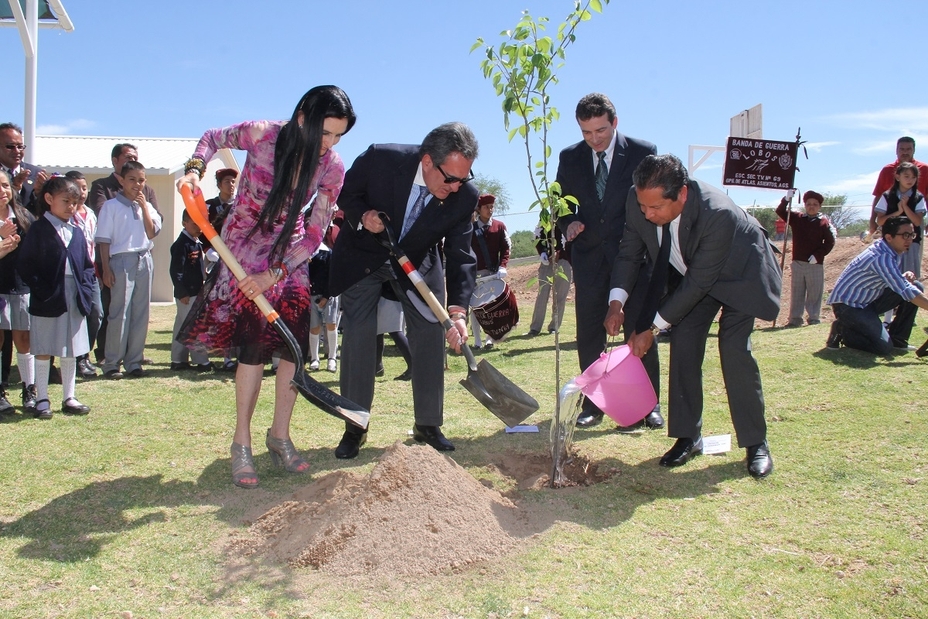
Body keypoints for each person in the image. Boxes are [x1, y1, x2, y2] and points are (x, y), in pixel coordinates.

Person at [177, 85, 356, 489]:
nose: (328, 145)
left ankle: (279, 435)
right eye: (324, 133)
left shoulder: (332, 168)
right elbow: (212, 137)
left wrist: (276, 273)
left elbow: (314, 235)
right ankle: (241, 442)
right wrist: (194, 169)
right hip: (240, 251)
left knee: (293, 348)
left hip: (287, 259)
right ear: (302, 119)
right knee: (255, 346)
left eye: (337, 137)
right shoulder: (261, 135)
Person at [605, 154, 782, 479]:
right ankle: (689, 437)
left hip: (740, 274)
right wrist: (616, 302)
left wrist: (652, 329)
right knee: (684, 341)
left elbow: (701, 281)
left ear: (682, 195)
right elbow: (630, 252)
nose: (647, 213)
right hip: (694, 276)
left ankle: (756, 442)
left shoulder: (718, 213)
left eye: (655, 208)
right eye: (643, 206)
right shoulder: (640, 199)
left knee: (733, 347)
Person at [329, 122, 479, 459]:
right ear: (427, 161)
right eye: (450, 179)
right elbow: (346, 193)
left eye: (463, 179)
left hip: (416, 262)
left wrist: (457, 312)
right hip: (363, 254)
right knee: (359, 332)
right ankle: (355, 425)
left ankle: (427, 424)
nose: (456, 188)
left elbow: (461, 255)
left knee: (429, 330)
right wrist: (363, 215)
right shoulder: (380, 158)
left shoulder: (465, 196)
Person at [555, 93, 663, 430]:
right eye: (586, 133)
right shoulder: (570, 157)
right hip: (589, 259)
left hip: (633, 257)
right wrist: (566, 222)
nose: (594, 139)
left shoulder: (643, 152)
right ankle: (593, 405)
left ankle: (649, 406)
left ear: (614, 123)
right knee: (589, 331)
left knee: (638, 329)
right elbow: (559, 203)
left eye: (600, 131)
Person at [16, 176, 95, 418]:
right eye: (66, 201)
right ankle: (41, 398)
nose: (71, 206)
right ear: (49, 199)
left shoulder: (77, 231)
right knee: (44, 347)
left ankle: (69, 396)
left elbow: (87, 266)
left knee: (72, 347)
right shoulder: (39, 229)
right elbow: (26, 265)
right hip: (48, 296)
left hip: (74, 296)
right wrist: (41, 289)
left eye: (75, 202)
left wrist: (86, 290)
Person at [88, 143, 160, 365]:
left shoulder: (146, 204)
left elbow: (151, 232)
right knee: (119, 312)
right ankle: (112, 361)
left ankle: (134, 360)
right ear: (122, 180)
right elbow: (103, 241)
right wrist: (106, 269)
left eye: (141, 180)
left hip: (144, 259)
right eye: (132, 180)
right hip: (120, 261)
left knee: (141, 313)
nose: (137, 185)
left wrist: (145, 208)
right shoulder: (110, 206)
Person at [826, 216, 928, 355]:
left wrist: (902, 277)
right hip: (849, 306)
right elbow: (905, 290)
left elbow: (897, 283)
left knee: (916, 286)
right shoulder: (881, 257)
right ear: (889, 237)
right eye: (905, 235)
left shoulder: (888, 249)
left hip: (869, 302)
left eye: (911, 234)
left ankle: (898, 340)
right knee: (883, 348)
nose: (909, 239)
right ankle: (842, 329)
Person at [0, 169, 35, 415]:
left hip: (21, 286)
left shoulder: (24, 217)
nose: (1, 192)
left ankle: (30, 389)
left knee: (23, 339)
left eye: (4, 186)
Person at [775, 189, 836, 326]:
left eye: (815, 204)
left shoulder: (823, 223)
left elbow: (830, 242)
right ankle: (795, 319)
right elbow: (780, 211)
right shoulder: (797, 219)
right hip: (798, 262)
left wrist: (818, 255)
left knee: (814, 293)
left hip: (815, 263)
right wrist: (786, 199)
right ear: (805, 205)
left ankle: (814, 318)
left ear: (819, 206)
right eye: (809, 204)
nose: (811, 206)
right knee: (797, 292)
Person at [66, 171, 102, 378]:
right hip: (72, 273)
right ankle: (76, 359)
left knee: (96, 313)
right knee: (76, 316)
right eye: (76, 187)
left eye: (84, 187)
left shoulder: (91, 214)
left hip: (91, 273)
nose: (81, 192)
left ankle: (84, 355)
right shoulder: (67, 216)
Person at [469, 193, 515, 348]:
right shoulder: (470, 229)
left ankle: (490, 338)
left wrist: (503, 265)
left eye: (491, 207)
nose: (490, 210)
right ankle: (477, 340)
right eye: (486, 207)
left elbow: (506, 248)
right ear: (479, 209)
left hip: (494, 273)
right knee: (476, 308)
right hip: (476, 275)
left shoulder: (499, 226)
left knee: (492, 308)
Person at [169, 211, 211, 372]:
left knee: (182, 326)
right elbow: (176, 271)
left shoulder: (196, 243)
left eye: (200, 223)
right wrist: (181, 292)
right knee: (194, 327)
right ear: (184, 223)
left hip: (196, 291)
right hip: (187, 294)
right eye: (194, 223)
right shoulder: (181, 245)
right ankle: (201, 361)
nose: (198, 227)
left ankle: (178, 359)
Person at [874, 162, 925, 278]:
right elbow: (880, 221)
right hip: (890, 243)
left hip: (910, 244)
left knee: (910, 277)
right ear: (897, 177)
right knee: (890, 276)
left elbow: (917, 221)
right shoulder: (887, 196)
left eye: (913, 177)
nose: (910, 180)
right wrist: (897, 212)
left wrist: (906, 207)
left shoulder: (918, 197)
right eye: (906, 176)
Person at [869, 137, 928, 237]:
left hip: (915, 222)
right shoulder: (887, 170)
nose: (905, 152)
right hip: (890, 222)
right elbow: (878, 196)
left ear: (914, 150)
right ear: (896, 151)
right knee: (890, 251)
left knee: (913, 250)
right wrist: (872, 220)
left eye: (908, 149)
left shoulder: (924, 169)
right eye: (902, 149)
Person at [528, 223, 572, 336]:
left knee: (560, 296)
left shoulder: (568, 217)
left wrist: (560, 253)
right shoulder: (545, 219)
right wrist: (542, 252)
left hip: (564, 262)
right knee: (542, 295)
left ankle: (554, 326)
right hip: (547, 261)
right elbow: (538, 236)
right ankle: (535, 327)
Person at [0, 123, 48, 214]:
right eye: (10, 146)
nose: (17, 151)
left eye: (20, 146)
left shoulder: (36, 174)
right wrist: (13, 188)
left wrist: (39, 193)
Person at [204, 168, 238, 245]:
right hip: (215, 250)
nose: (231, 185)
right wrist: (207, 249)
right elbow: (202, 229)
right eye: (227, 182)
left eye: (233, 182)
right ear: (219, 185)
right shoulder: (209, 205)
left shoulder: (240, 205)